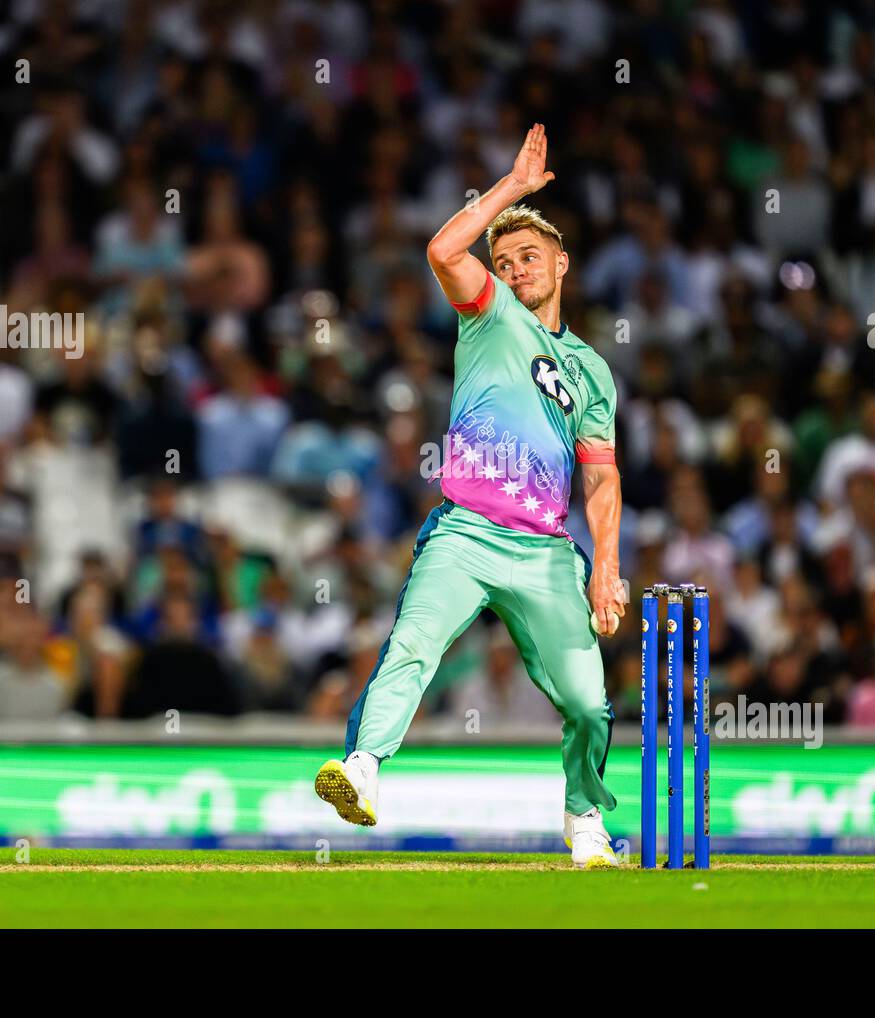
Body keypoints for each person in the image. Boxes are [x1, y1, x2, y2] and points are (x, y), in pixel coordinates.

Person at [314, 125, 628, 868]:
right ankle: (362, 771)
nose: (516, 267)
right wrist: (514, 189)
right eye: (506, 258)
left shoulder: (591, 371)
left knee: (589, 704)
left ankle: (585, 821)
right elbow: (443, 252)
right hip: (467, 530)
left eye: (530, 255)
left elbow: (602, 475)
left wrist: (607, 565)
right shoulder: (489, 312)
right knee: (411, 647)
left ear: (563, 264)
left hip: (548, 547)